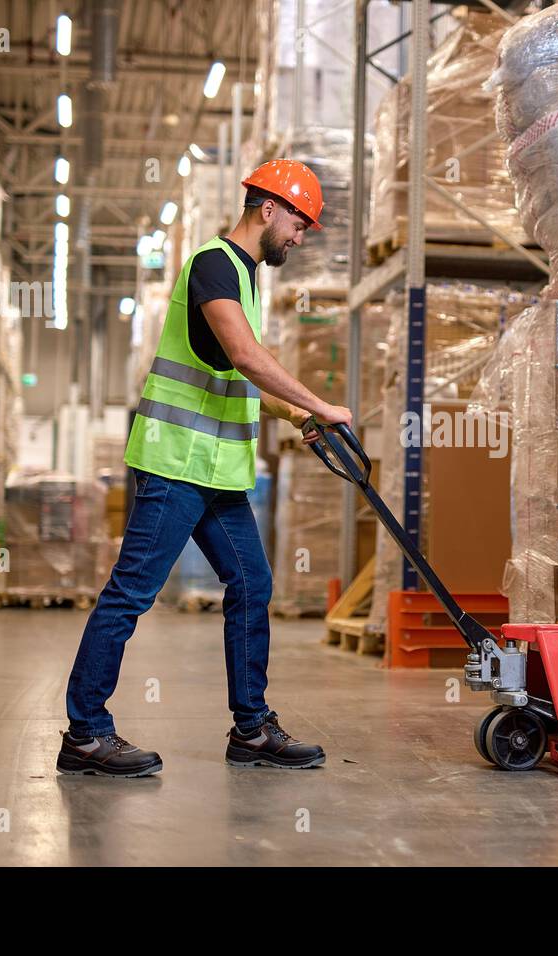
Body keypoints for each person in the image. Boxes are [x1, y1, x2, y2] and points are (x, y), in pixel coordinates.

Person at [56, 160, 351, 777]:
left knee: (253, 583)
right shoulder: (213, 265)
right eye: (299, 223)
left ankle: (251, 729)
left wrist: (295, 417)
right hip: (174, 465)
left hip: (215, 472)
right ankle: (84, 733)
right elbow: (245, 355)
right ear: (267, 209)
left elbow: (230, 374)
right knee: (131, 594)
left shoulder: (243, 278)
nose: (300, 238)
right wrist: (318, 402)